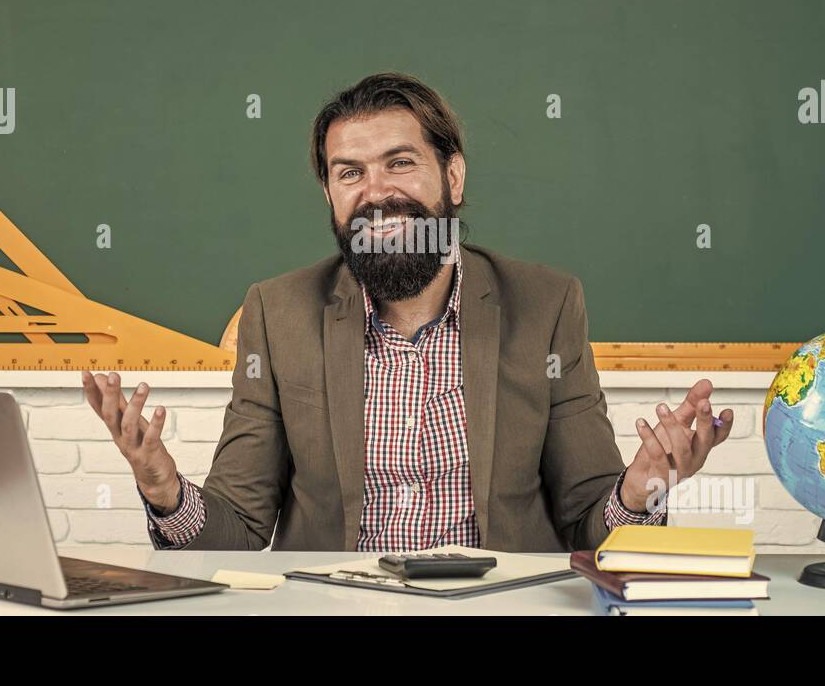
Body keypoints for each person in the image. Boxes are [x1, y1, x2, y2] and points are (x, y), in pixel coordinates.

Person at [81, 72, 734, 552]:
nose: (377, 194)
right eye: (349, 173)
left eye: (400, 163)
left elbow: (587, 520)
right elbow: (239, 532)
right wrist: (165, 488)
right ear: (330, 194)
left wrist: (642, 489)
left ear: (453, 177)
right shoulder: (277, 315)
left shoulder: (545, 305)